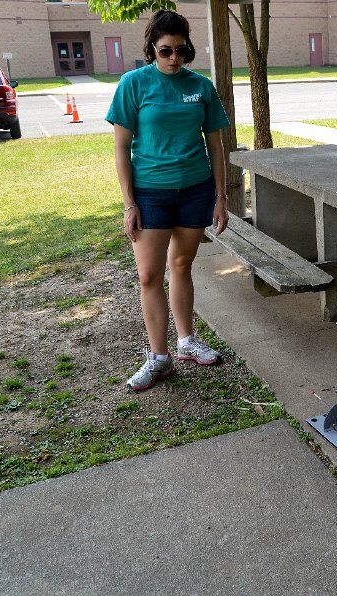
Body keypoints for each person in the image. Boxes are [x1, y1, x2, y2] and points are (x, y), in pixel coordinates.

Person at [105, 9, 230, 391]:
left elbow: (216, 144)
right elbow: (122, 148)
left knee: (182, 264)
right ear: (151, 50)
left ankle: (187, 341)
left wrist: (221, 197)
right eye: (165, 51)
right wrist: (129, 203)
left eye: (181, 50)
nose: (174, 58)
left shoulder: (201, 86)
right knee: (148, 276)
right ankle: (159, 358)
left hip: (195, 190)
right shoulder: (133, 84)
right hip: (150, 192)